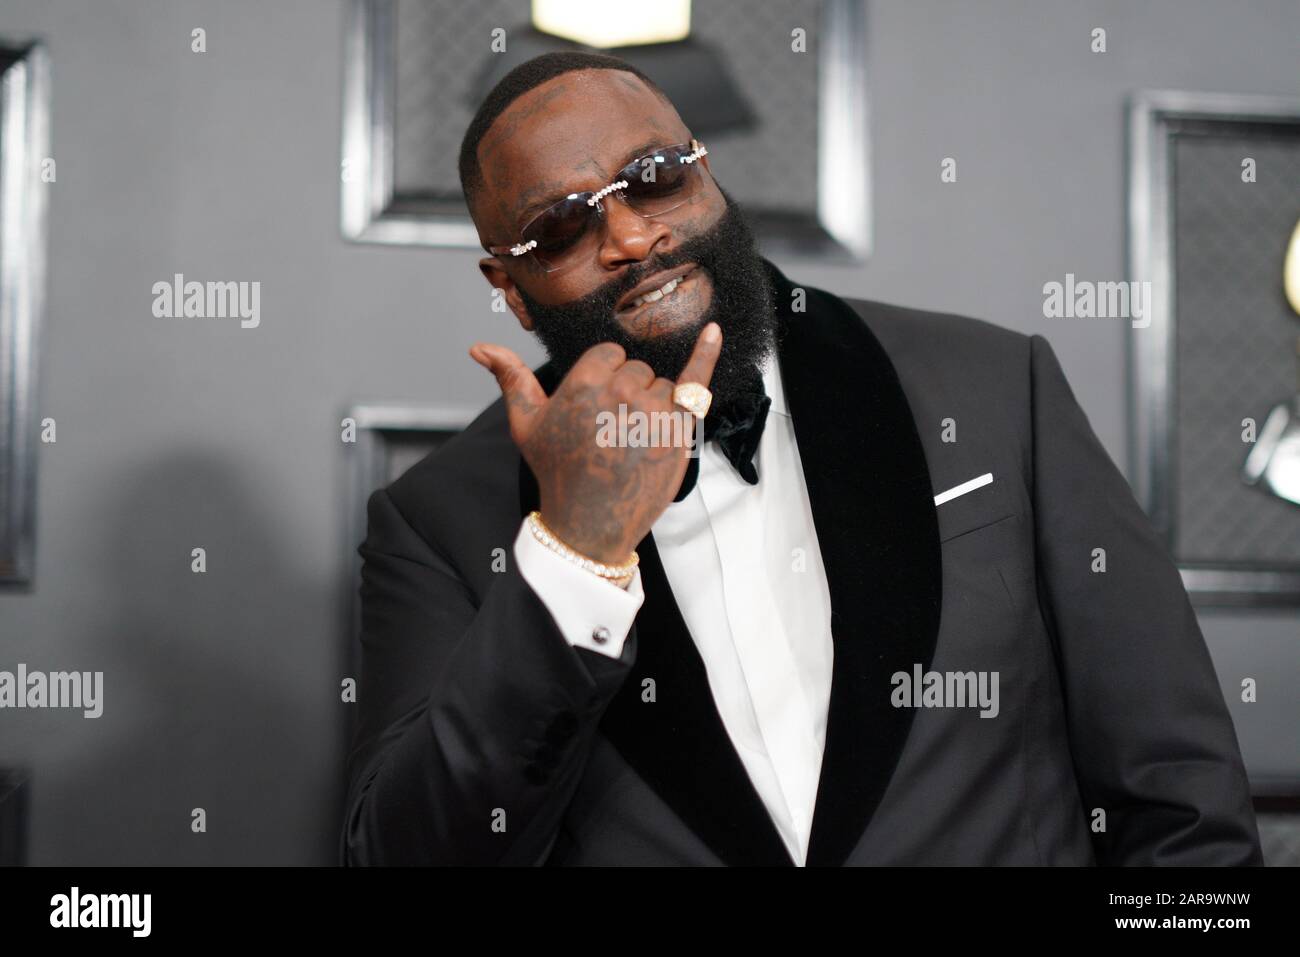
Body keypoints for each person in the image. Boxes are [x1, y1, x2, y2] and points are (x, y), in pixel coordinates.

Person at [339, 51, 1261, 866]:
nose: (629, 238)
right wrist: (574, 553)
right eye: (563, 227)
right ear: (511, 288)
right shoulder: (439, 521)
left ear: (707, 172)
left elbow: (1180, 796)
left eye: (654, 176)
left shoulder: (991, 390)